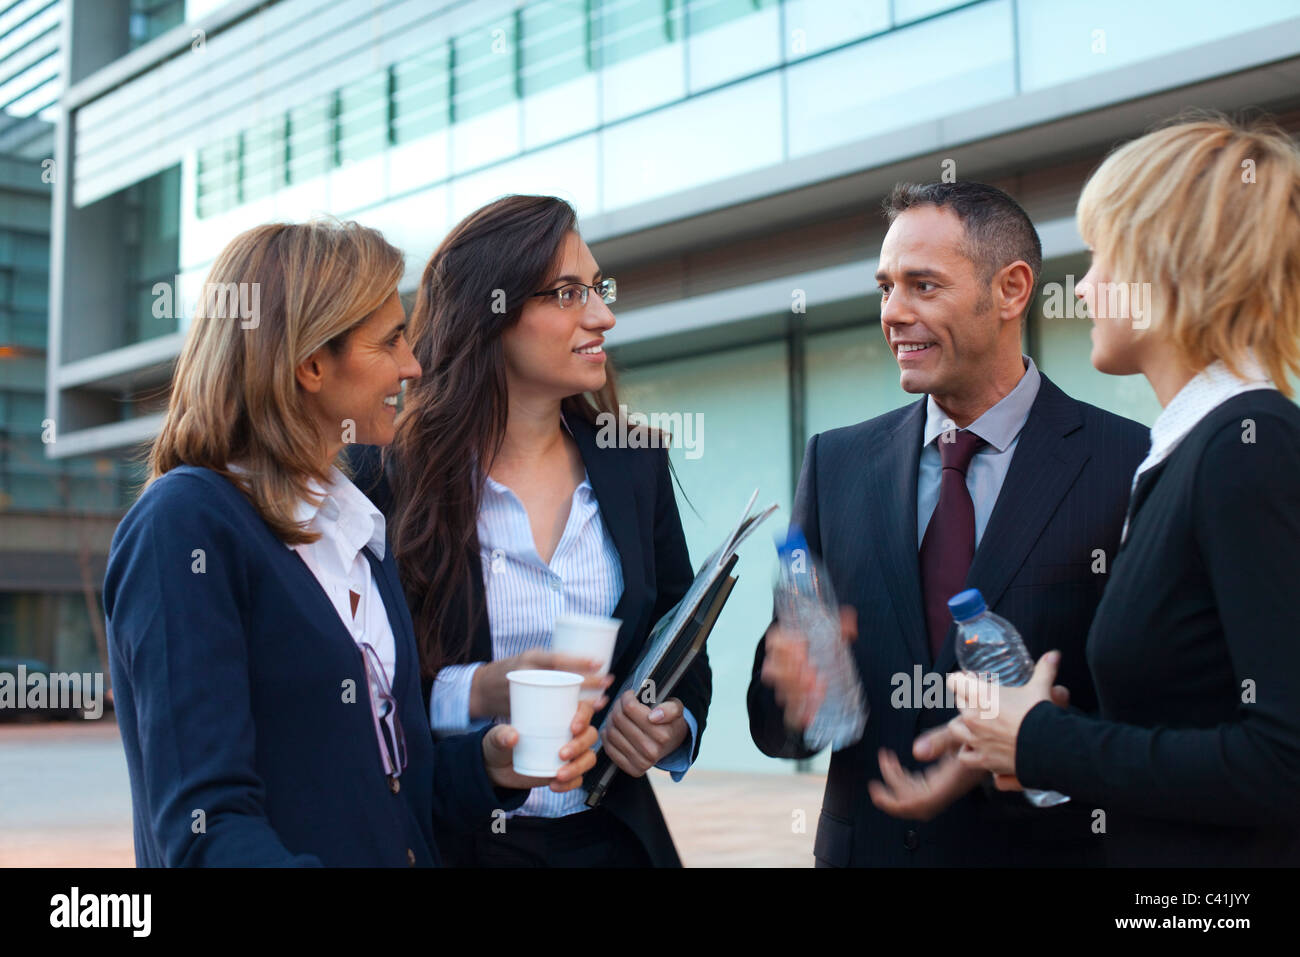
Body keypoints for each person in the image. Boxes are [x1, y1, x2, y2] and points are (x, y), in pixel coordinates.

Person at [105, 220, 597, 867]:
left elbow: (388, 790)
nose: (412, 365)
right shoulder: (186, 525)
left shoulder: (356, 527)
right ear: (312, 362)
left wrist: (487, 765)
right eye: (391, 340)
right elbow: (205, 831)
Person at [748, 181, 1150, 866]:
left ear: (1012, 290)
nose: (893, 312)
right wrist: (789, 691)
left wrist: (1046, 733)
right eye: (885, 287)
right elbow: (786, 725)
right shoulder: (838, 460)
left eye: (922, 285)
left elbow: (1147, 710)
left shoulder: (1126, 460)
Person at [944, 115, 1300, 867]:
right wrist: (1049, 731)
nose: (1086, 286)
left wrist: (1045, 740)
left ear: (1165, 265)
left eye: (1103, 256)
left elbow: (1283, 760)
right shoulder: (1189, 450)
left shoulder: (1249, 446)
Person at [347, 195, 710, 867]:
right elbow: (366, 689)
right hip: (459, 840)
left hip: (612, 840)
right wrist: (483, 686)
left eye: (596, 290)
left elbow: (678, 638)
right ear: (491, 312)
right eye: (568, 293)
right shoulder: (384, 476)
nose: (602, 314)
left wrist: (668, 721)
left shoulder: (635, 463)